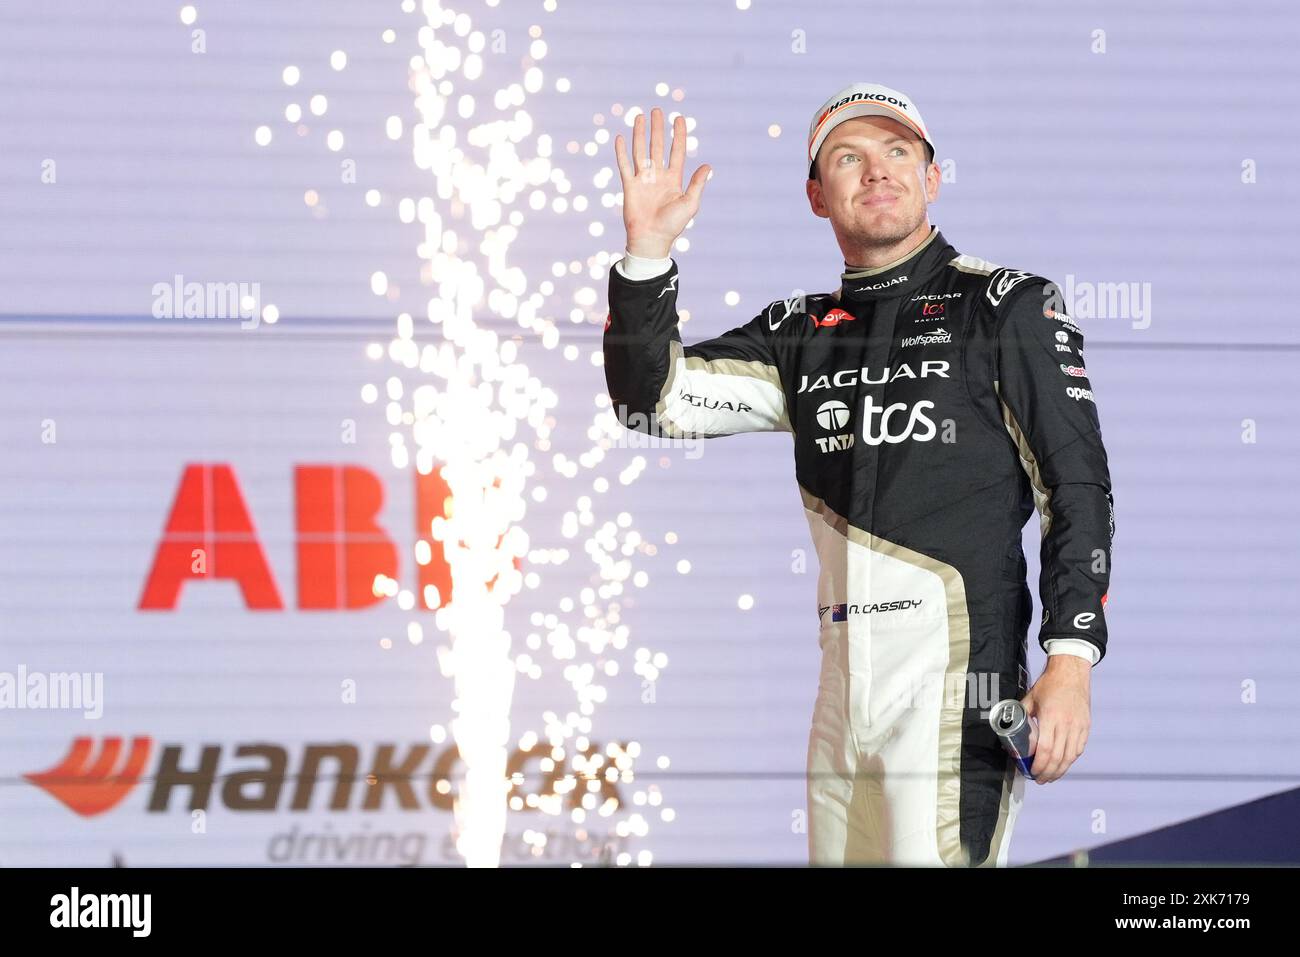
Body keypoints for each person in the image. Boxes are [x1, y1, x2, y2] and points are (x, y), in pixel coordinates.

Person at [602, 82, 1114, 866]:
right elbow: (651, 401)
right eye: (849, 157)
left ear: (931, 178)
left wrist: (1071, 658)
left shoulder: (1005, 306)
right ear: (817, 195)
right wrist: (646, 256)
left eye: (897, 152)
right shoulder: (797, 333)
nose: (876, 171)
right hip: (840, 699)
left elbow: (1075, 488)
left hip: (957, 691)